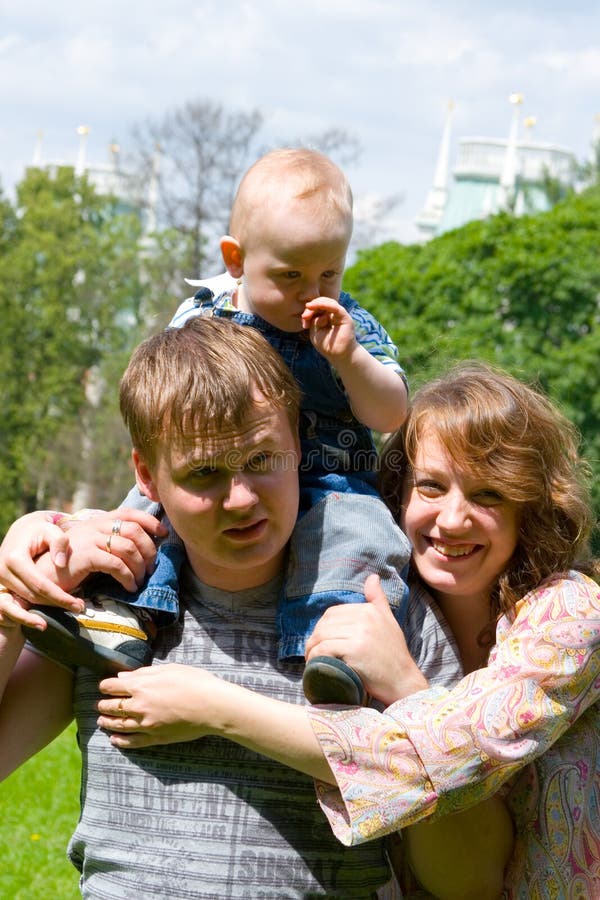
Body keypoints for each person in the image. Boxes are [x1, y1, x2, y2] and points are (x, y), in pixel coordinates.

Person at [45, 362, 597, 898]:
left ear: (533, 504)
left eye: (489, 494)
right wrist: (40, 539)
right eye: (431, 487)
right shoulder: (384, 595)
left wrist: (216, 707)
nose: (452, 519)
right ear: (398, 493)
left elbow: (457, 759)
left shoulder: (566, 613)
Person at [0, 316, 404, 898]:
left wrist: (215, 707)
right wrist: (15, 594)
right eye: (205, 473)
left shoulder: (369, 601)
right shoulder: (107, 607)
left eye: (262, 459)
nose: (241, 499)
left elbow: (456, 851)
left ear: (297, 442)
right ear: (146, 475)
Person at [15, 147, 412, 705]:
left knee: (360, 537)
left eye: (329, 272)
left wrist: (350, 360)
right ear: (235, 259)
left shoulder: (351, 325)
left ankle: (332, 648)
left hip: (330, 481)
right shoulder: (204, 315)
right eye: (290, 274)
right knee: (143, 514)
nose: (310, 292)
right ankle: (118, 609)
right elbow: (160, 405)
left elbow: (391, 413)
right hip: (222, 467)